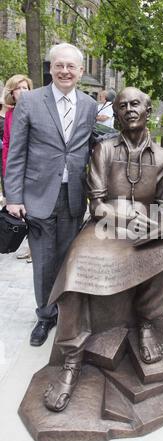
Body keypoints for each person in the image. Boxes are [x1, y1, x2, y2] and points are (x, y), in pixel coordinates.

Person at [43, 86, 163, 412]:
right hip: (104, 228)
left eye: (135, 103)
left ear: (148, 109)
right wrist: (130, 217)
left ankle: (145, 323)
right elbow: (97, 206)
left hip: (144, 233)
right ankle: (72, 359)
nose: (129, 109)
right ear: (116, 113)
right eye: (122, 105)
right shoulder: (104, 150)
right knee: (77, 265)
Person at [5, 43, 98, 346]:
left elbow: (90, 148)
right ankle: (45, 317)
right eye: (59, 65)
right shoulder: (30, 102)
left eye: (71, 66)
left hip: (73, 196)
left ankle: (67, 314)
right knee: (44, 262)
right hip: (38, 195)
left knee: (68, 259)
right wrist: (14, 197)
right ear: (51, 68)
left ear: (80, 71)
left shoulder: (88, 105)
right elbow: (16, 154)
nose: (65, 71)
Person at [2, 75, 33, 196]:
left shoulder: (37, 111)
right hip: (15, 169)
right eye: (18, 88)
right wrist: (7, 171)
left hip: (34, 170)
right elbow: (7, 144)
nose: (22, 91)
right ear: (12, 93)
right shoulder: (10, 114)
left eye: (25, 88)